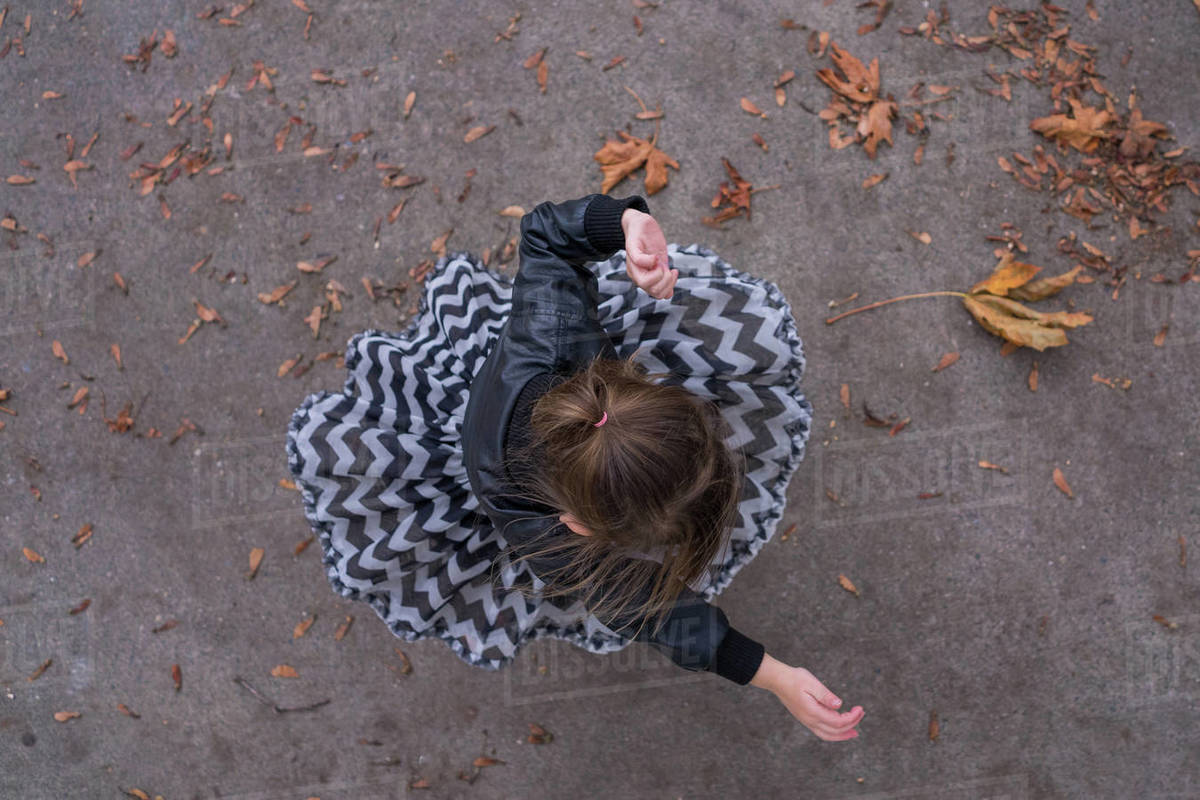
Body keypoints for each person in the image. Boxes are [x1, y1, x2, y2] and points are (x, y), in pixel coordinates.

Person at [286, 193, 863, 741]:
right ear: (579, 527)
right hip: (461, 454)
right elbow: (647, 609)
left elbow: (543, 235)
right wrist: (771, 674)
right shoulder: (537, 534)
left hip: (517, 375)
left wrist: (628, 225)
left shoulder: (552, 328)